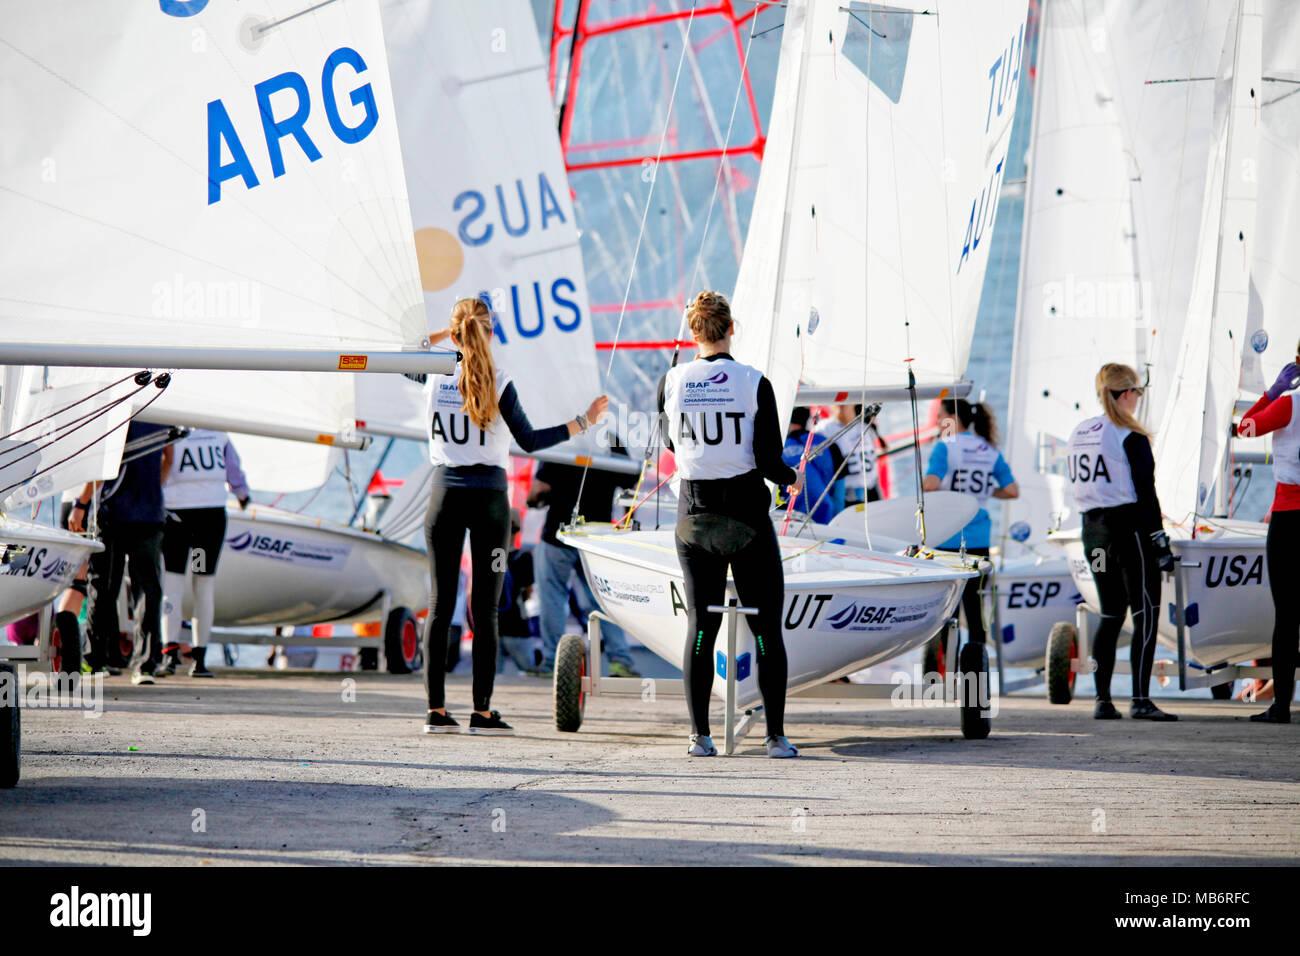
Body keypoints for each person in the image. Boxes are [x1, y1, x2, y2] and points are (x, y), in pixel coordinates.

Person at [419, 296, 607, 736]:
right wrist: (582, 422)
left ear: (456, 331)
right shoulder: (500, 380)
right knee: (485, 608)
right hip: (489, 503)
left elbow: (405, 346)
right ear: (491, 331)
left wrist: (451, 334)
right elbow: (530, 439)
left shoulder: (432, 371)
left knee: (439, 606)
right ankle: (482, 712)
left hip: (443, 496)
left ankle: (435, 712)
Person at [658, 290, 803, 759]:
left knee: (701, 626)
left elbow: (670, 444)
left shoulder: (672, 380)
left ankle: (700, 737)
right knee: (765, 629)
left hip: (694, 520)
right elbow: (767, 460)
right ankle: (775, 738)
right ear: (731, 328)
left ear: (693, 332)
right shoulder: (754, 382)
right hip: (745, 520)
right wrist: (791, 476)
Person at [1065, 363, 1176, 721]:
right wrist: (1160, 542)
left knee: (1110, 614)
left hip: (1092, 535)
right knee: (1145, 613)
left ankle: (1102, 700)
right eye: (1138, 392)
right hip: (1129, 533)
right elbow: (1147, 494)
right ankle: (1141, 700)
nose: (1139, 398)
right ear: (1126, 394)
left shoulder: (1080, 430)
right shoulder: (1131, 435)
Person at [70, 420, 173, 684]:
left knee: (103, 587)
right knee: (147, 590)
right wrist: (152, 491)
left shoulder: (115, 412)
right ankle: (145, 665)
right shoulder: (162, 413)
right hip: (149, 513)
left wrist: (81, 504)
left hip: (112, 513)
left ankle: (94, 660)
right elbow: (169, 458)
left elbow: (100, 467)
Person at [526, 445, 640, 678]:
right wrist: (627, 521)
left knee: (552, 600)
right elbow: (633, 485)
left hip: (558, 533)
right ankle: (620, 661)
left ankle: (553, 662)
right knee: (603, 600)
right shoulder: (611, 441)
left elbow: (538, 491)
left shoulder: (562, 441)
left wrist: (535, 500)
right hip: (596, 537)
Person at [922, 399, 1019, 648]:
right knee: (975, 613)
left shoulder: (945, 446)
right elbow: (1011, 490)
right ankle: (976, 676)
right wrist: (985, 492)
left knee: (946, 614)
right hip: (979, 539)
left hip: (948, 538)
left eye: (940, 415)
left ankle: (944, 677)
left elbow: (932, 484)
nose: (936, 421)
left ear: (952, 419)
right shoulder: (988, 449)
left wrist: (922, 487)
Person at [1237, 348, 1300, 723]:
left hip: (1290, 515)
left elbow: (1245, 427)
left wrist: (1271, 394)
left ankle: (1281, 707)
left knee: (1288, 614)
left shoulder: (1289, 403)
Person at [159, 428, 251, 678]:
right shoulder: (218, 433)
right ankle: (199, 659)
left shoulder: (172, 430)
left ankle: (169, 655)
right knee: (202, 583)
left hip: (178, 517)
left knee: (173, 584)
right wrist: (243, 495)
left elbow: (161, 471)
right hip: (208, 519)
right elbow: (234, 472)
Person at [817, 403, 885, 509]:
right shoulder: (823, 430)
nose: (841, 403)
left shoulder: (866, 426)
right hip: (842, 498)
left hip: (870, 493)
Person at [781, 407, 839, 525]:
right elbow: (839, 488)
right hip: (826, 513)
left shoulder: (779, 447)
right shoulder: (828, 444)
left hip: (790, 518)